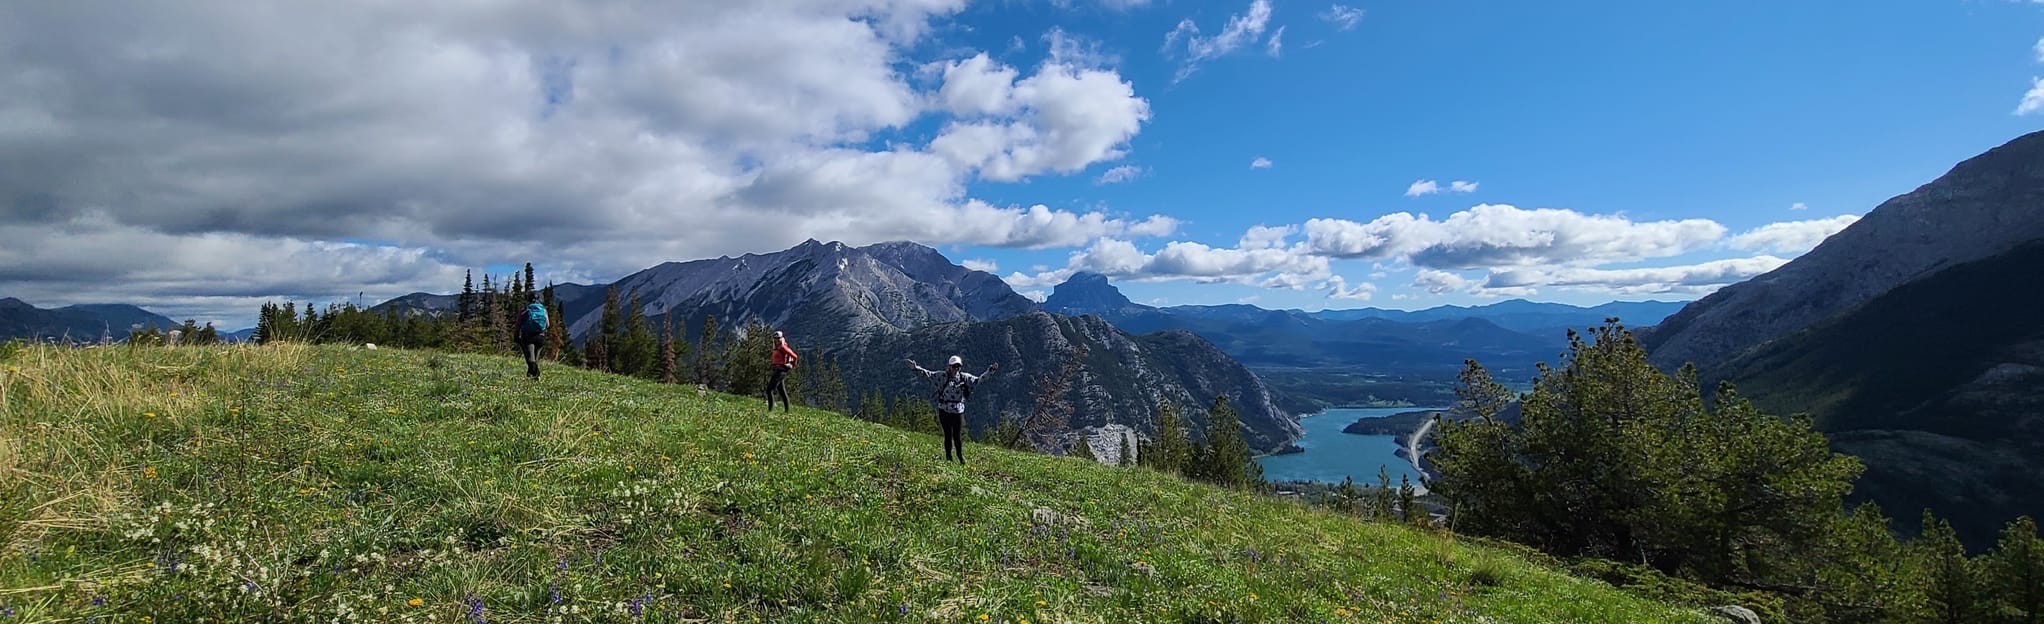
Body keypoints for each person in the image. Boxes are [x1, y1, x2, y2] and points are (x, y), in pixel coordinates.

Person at [908, 355, 998, 465]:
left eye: (958, 366)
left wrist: (990, 370)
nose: (956, 369)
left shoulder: (965, 378)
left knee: (957, 436)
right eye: (954, 366)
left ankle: (960, 456)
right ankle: (949, 456)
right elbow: (927, 374)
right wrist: (915, 368)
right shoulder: (942, 376)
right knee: (947, 435)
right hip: (944, 411)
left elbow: (979, 380)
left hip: (958, 411)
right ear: (949, 366)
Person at [767, 330, 798, 412]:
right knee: (782, 392)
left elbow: (794, 356)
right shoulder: (776, 347)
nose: (776, 340)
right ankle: (787, 411)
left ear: (781, 338)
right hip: (777, 370)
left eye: (778, 338)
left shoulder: (783, 347)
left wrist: (792, 365)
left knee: (769, 390)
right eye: (775, 338)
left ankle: (770, 410)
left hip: (780, 370)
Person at [518, 301, 548, 379]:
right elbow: (548, 324)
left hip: (528, 336)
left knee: (531, 359)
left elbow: (518, 324)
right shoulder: (543, 310)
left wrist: (517, 334)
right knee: (535, 358)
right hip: (540, 336)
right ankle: (532, 376)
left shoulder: (525, 310)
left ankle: (535, 374)